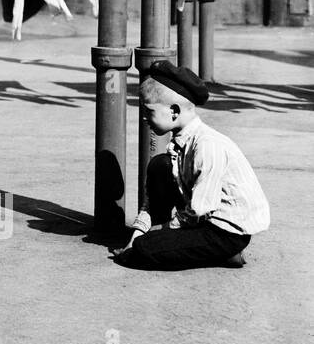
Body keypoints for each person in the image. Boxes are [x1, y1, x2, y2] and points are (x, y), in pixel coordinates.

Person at [113, 61, 269, 270]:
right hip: (201, 218)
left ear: (174, 112)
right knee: (159, 165)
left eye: (148, 111)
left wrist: (158, 233)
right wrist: (136, 236)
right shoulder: (180, 143)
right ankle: (174, 245)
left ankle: (227, 253)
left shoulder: (207, 146)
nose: (143, 118)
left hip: (225, 232)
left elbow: (198, 209)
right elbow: (150, 202)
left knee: (145, 250)